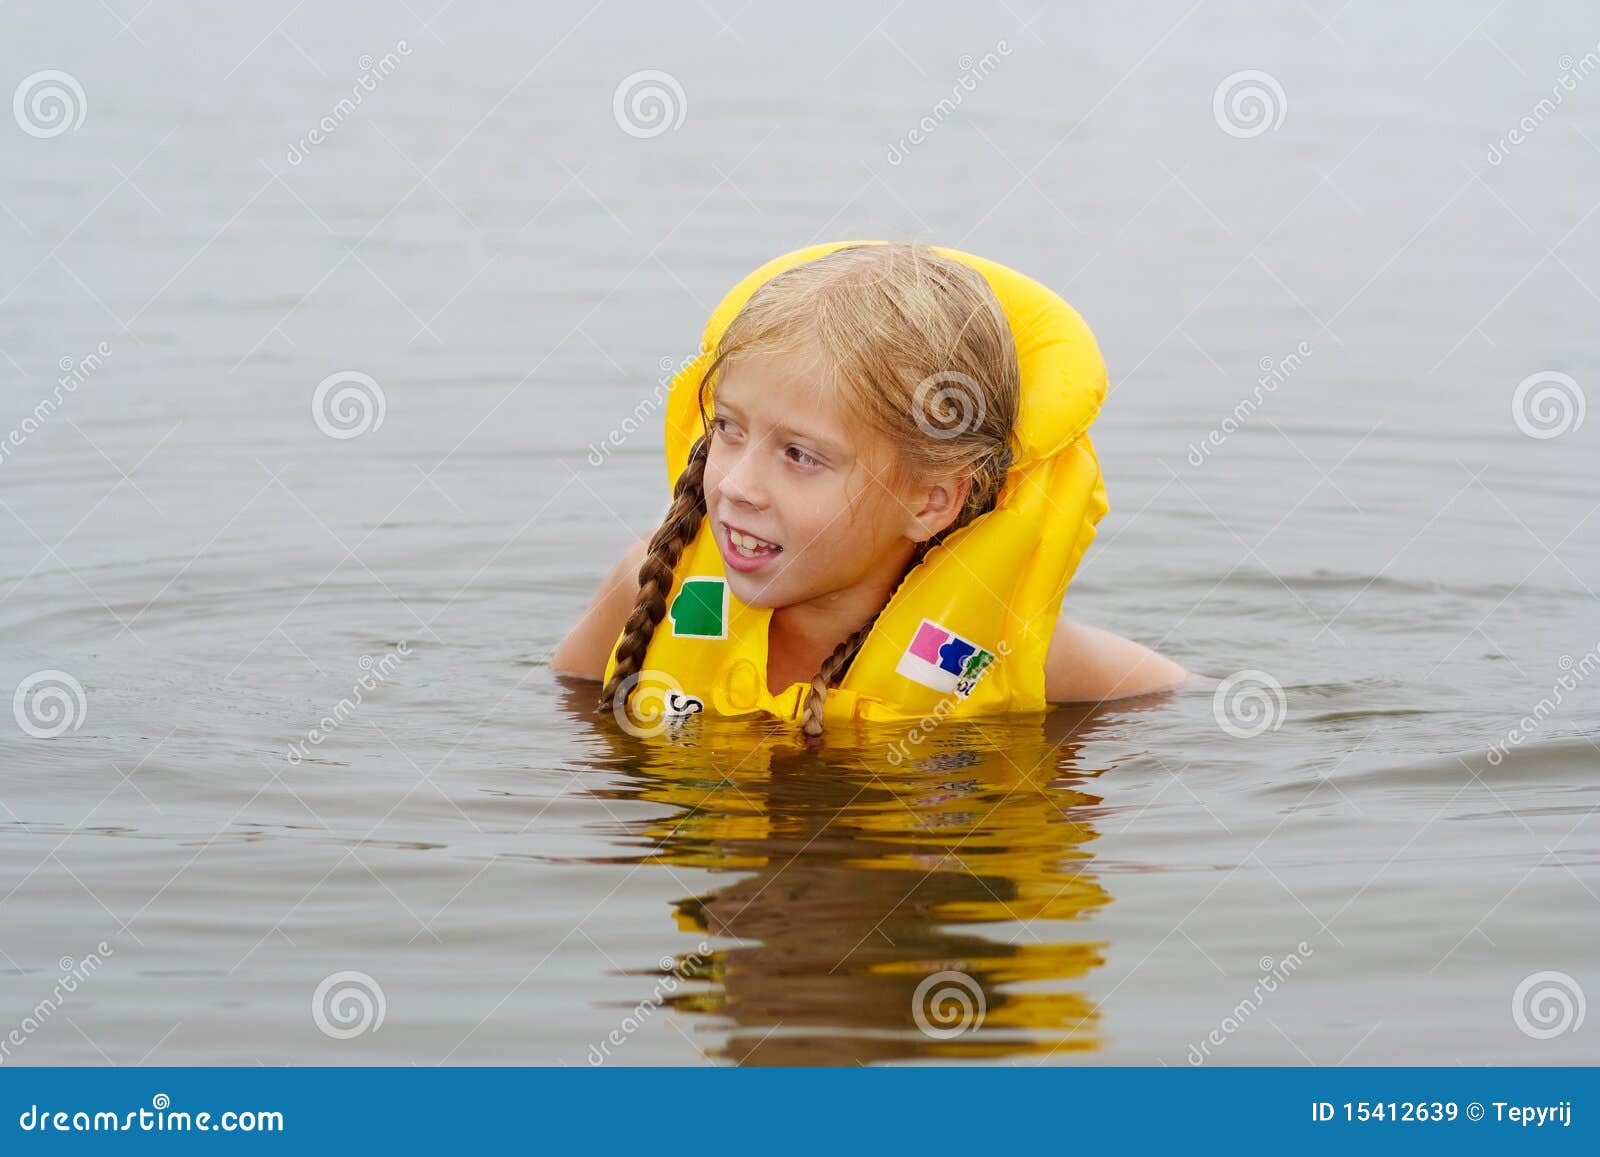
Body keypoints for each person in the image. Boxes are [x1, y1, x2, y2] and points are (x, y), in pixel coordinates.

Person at [555, 241, 1189, 738]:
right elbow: (572, 714)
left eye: (801, 455)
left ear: (930, 501)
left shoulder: (993, 654)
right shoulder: (649, 586)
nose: (739, 486)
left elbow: (1177, 698)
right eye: (727, 428)